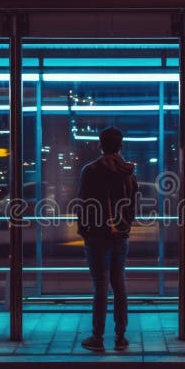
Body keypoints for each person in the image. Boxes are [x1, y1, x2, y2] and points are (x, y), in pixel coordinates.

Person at [76, 127, 138, 352]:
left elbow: (82, 203)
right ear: (121, 146)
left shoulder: (91, 170)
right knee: (119, 284)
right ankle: (120, 337)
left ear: (100, 146)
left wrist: (84, 231)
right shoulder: (128, 172)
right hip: (120, 236)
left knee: (100, 285)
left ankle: (97, 337)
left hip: (96, 236)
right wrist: (125, 227)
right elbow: (133, 206)